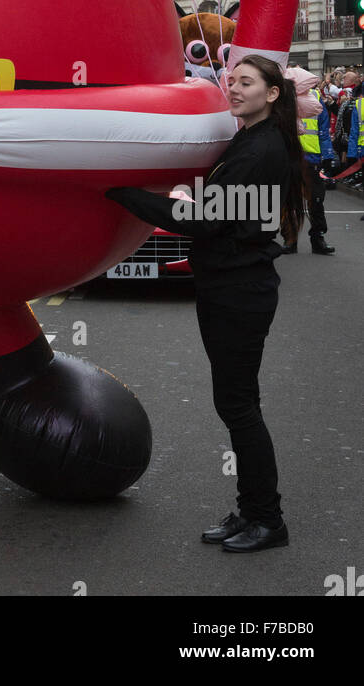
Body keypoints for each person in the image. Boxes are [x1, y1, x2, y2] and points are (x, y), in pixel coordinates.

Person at [106, 54, 305, 554]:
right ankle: (251, 510)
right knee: (235, 403)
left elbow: (206, 220)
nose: (234, 89)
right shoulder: (250, 139)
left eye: (247, 83)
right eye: (231, 81)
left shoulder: (260, 148)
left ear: (273, 93)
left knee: (239, 406)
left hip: (240, 291)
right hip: (228, 285)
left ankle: (267, 518)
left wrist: (125, 195)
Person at [285, 96, 336, 256]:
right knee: (289, 201)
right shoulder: (285, 99)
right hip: (291, 157)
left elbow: (323, 129)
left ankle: (318, 238)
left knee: (317, 200)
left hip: (312, 158)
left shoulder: (317, 99)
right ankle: (289, 239)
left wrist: (328, 155)